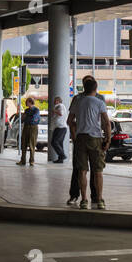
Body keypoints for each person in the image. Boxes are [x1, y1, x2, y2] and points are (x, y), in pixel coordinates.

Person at [66, 77, 110, 209]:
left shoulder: (77, 101)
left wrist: (75, 135)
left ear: (83, 88)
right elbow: (106, 123)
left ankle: (84, 199)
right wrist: (108, 139)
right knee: (98, 171)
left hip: (80, 138)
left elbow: (69, 121)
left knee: (82, 171)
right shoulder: (99, 101)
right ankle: (99, 199)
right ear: (96, 89)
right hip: (95, 138)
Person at [17, 97, 40, 165]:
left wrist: (26, 117)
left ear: (30, 102)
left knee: (32, 144)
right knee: (23, 144)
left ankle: (32, 161)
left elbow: (34, 118)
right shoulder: (26, 110)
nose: (26, 103)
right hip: (26, 127)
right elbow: (22, 119)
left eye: (27, 102)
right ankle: (23, 160)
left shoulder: (36, 110)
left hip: (33, 127)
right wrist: (25, 117)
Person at [49, 96, 68, 164]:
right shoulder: (57, 106)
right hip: (58, 127)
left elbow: (61, 113)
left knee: (54, 142)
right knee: (59, 143)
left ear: (58, 101)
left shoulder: (61, 106)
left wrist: (54, 111)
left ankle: (62, 155)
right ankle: (60, 159)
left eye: (55, 100)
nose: (54, 101)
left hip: (61, 127)